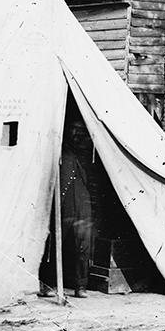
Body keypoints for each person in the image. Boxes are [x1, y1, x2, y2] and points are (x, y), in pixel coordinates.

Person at [39, 117, 94, 299]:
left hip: (83, 205)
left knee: (82, 246)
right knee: (56, 244)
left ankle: (81, 285)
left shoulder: (89, 155)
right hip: (63, 205)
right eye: (73, 131)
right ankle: (48, 283)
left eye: (80, 132)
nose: (77, 135)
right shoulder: (60, 152)